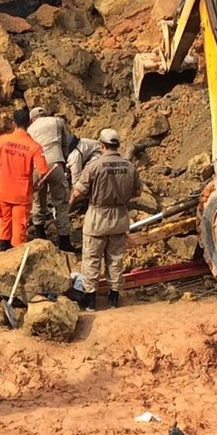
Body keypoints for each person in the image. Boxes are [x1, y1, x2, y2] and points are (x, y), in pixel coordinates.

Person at [69, 129, 141, 311]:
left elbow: (78, 192)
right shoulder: (129, 166)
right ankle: (114, 299)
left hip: (97, 218)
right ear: (118, 145)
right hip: (120, 218)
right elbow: (137, 192)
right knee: (115, 259)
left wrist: (69, 208)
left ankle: (91, 302)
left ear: (101, 145)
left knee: (92, 259)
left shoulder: (94, 166)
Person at [0, 108, 48, 249]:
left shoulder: (2, 140)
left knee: (4, 221)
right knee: (20, 227)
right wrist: (38, 183)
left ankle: (3, 250)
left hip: (3, 189)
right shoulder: (34, 146)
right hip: (22, 194)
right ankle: (16, 256)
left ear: (14, 123)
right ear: (29, 123)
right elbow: (43, 171)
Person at [27, 107, 76, 252]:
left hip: (37, 167)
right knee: (61, 203)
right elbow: (65, 144)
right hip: (55, 164)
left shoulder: (30, 129)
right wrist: (63, 160)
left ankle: (41, 238)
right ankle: (64, 242)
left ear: (33, 118)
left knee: (38, 202)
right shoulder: (57, 122)